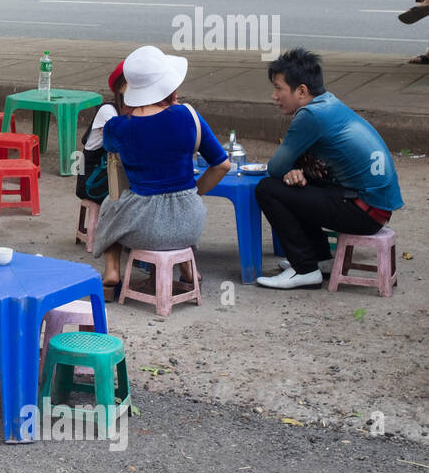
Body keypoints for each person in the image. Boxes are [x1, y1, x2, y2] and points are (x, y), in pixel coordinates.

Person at [255, 48, 403, 289]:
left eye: (279, 88)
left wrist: (292, 171)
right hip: (374, 206)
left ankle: (304, 268)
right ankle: (320, 258)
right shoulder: (328, 102)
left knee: (268, 189)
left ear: (301, 90)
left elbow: (275, 167)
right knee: (297, 183)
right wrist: (298, 173)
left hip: (363, 211)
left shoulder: (311, 116)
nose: (274, 95)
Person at [93, 45, 231, 294]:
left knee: (110, 204)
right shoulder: (189, 115)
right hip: (188, 223)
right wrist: (192, 194)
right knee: (179, 212)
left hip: (141, 228)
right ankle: (188, 268)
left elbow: (111, 148)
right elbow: (222, 165)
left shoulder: (117, 126)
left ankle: (112, 269)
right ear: (169, 85)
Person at [76, 60, 125, 204]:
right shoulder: (108, 111)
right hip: (94, 178)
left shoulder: (135, 111)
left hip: (114, 175)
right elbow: (117, 143)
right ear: (121, 86)